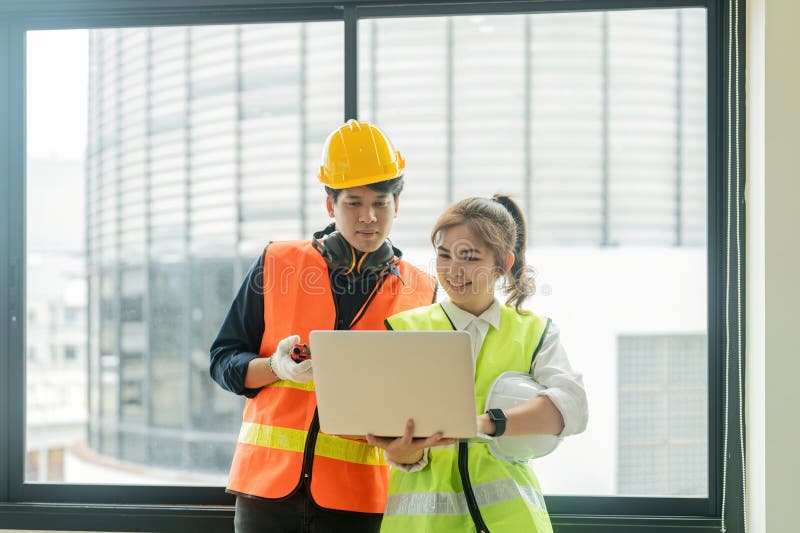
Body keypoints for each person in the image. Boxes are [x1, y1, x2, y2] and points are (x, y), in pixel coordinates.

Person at [210, 120, 437, 533]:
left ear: (397, 204)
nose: (368, 217)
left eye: (381, 202)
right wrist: (274, 368)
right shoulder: (276, 263)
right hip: (265, 494)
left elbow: (423, 404)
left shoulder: (422, 291)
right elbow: (222, 360)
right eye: (353, 202)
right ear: (330, 205)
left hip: (359, 501)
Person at [367, 195, 588, 533]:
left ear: (502, 263)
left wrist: (484, 424)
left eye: (469, 257)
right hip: (423, 525)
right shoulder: (405, 329)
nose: (454, 270)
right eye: (444, 255)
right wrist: (403, 452)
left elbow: (573, 407)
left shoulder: (534, 331)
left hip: (512, 523)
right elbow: (401, 445)